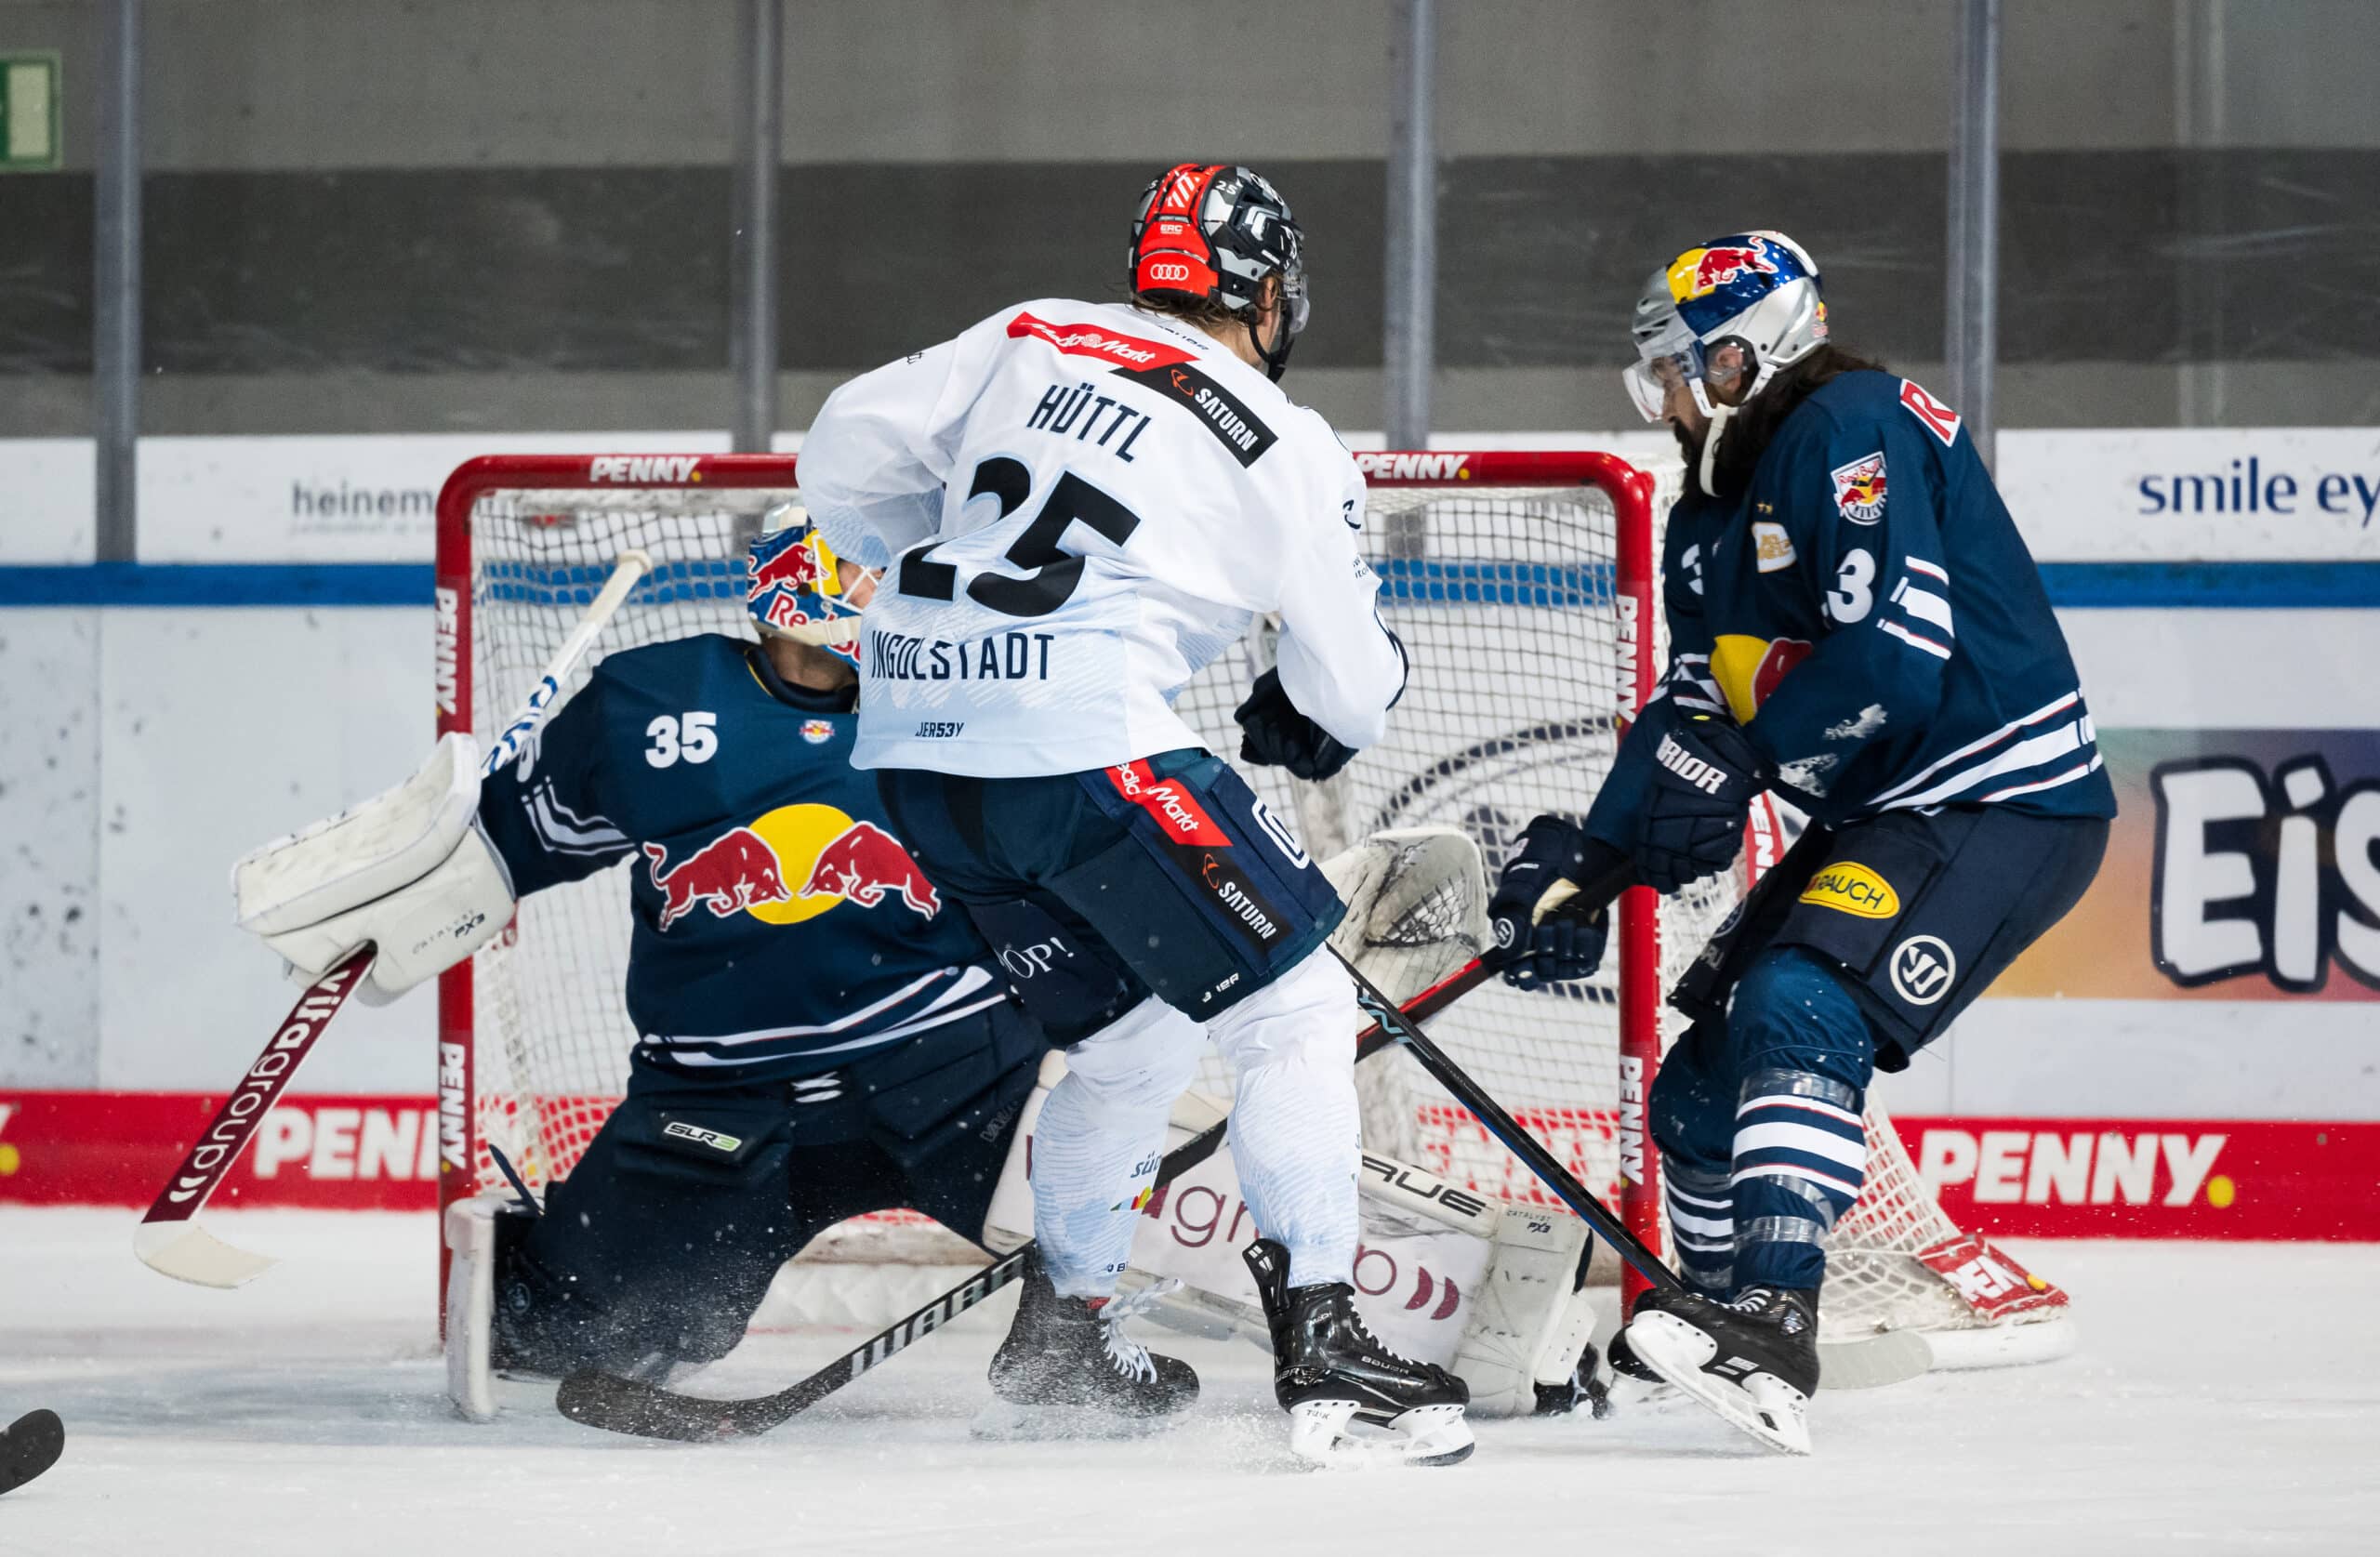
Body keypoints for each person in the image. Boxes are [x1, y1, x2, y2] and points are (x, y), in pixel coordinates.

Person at [794, 163, 1473, 1467]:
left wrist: (926, 576)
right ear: (1270, 291)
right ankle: (1328, 1338)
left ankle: (1066, 1326)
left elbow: (842, 444)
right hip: (1087, 749)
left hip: (921, 749)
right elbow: (1357, 685)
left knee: (1133, 1034)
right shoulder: (1281, 433)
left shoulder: (1033, 331)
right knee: (1299, 1007)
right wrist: (1303, 706)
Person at [239, 517, 1159, 1418]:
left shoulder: (965, 700)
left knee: (1146, 1214)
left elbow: (1084, 857)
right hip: (718, 1107)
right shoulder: (649, 703)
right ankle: (550, 1262)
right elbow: (514, 844)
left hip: (956, 1075)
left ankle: (1145, 1332)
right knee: (559, 1333)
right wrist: (406, 890)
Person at [1484, 232, 2113, 1454]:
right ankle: (1714, 1320)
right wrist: (1588, 854)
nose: (1662, 399)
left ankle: (1776, 1316)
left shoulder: (1851, 426)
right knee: (1697, 1086)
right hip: (1895, 811)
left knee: (1796, 1000)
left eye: (1673, 370)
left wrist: (1746, 760)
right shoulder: (1707, 510)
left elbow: (1889, 661)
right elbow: (1694, 712)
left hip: (2005, 802)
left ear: (1741, 350)